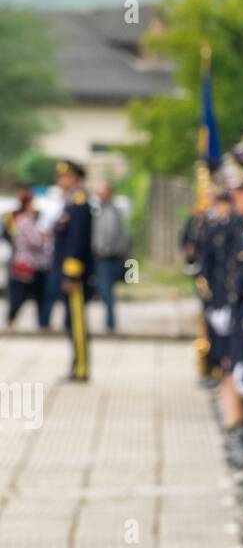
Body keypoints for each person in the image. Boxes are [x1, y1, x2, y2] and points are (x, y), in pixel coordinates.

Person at [53, 159, 93, 382]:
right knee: (70, 321)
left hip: (75, 274)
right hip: (67, 271)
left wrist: (70, 272)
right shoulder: (70, 202)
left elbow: (77, 242)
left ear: (74, 178)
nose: (60, 181)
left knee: (76, 323)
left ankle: (81, 369)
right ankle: (76, 366)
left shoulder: (79, 203)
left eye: (64, 177)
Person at [3, 184, 51, 328]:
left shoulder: (32, 216)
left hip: (33, 262)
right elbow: (35, 240)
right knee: (19, 294)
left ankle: (42, 321)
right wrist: (44, 238)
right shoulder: (17, 217)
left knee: (37, 294)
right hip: (25, 262)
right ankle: (12, 320)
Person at [92, 182, 129, 333]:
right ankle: (109, 322)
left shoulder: (114, 212)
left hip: (109, 257)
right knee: (103, 290)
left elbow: (112, 234)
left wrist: (102, 249)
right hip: (100, 257)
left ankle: (110, 323)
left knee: (107, 291)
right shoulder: (98, 210)